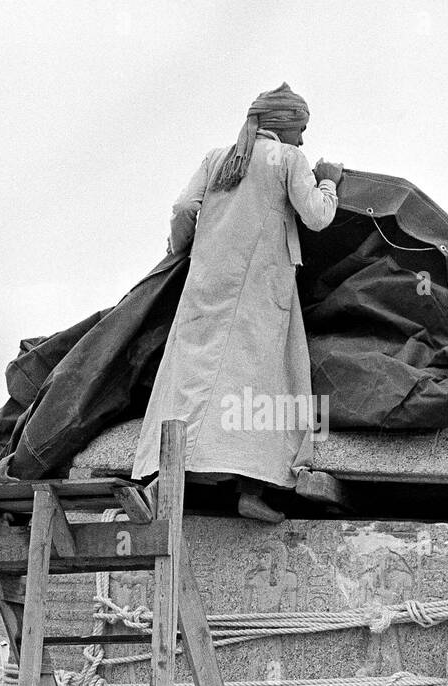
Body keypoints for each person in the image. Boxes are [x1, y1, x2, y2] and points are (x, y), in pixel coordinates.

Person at [131, 83, 343, 523]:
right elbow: (317, 217)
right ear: (284, 127)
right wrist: (329, 181)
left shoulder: (218, 158)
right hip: (261, 295)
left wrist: (182, 250)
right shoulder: (288, 159)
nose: (303, 139)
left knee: (188, 382)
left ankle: (158, 483)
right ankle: (254, 490)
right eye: (300, 129)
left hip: (206, 287)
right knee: (265, 388)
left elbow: (182, 208)